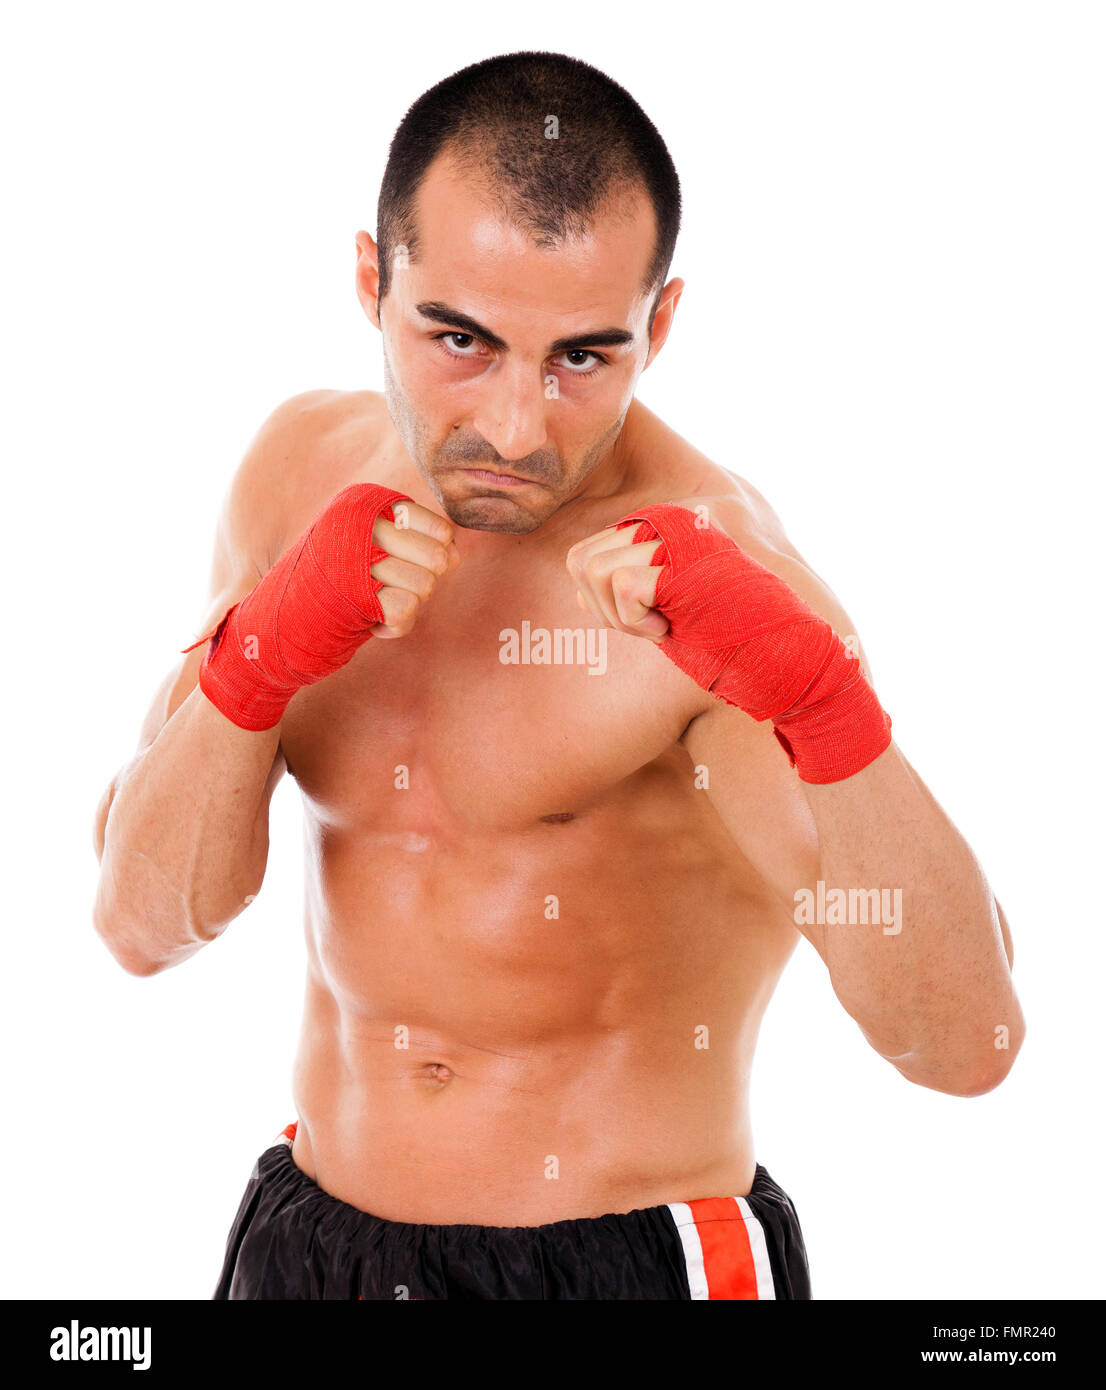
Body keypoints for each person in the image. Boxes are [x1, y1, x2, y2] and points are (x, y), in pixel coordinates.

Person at [91, 50, 1024, 1301]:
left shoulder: (714, 590)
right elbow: (144, 925)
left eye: (584, 357)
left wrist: (823, 708)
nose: (518, 428)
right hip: (310, 1242)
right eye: (460, 341)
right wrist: (256, 661)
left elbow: (964, 1045)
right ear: (372, 282)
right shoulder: (293, 476)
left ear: (662, 324)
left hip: (619, 1266)